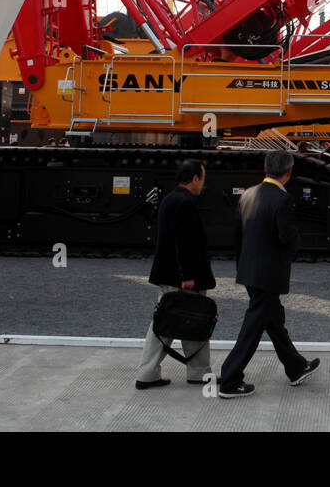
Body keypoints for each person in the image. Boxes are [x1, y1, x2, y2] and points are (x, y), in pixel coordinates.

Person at [217, 151, 320, 398]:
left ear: (265, 168)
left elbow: (237, 236)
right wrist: (298, 242)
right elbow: (287, 237)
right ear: (289, 172)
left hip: (250, 271)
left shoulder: (247, 194)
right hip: (269, 273)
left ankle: (296, 368)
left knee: (273, 321)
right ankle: (229, 379)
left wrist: (243, 266)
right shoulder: (282, 200)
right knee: (253, 326)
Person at [136, 160, 216, 389]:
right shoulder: (186, 203)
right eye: (202, 177)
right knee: (193, 319)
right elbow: (186, 244)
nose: (203, 183)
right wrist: (188, 276)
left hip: (167, 274)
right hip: (181, 277)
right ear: (194, 179)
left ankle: (148, 372)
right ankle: (198, 372)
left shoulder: (170, 200)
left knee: (164, 323)